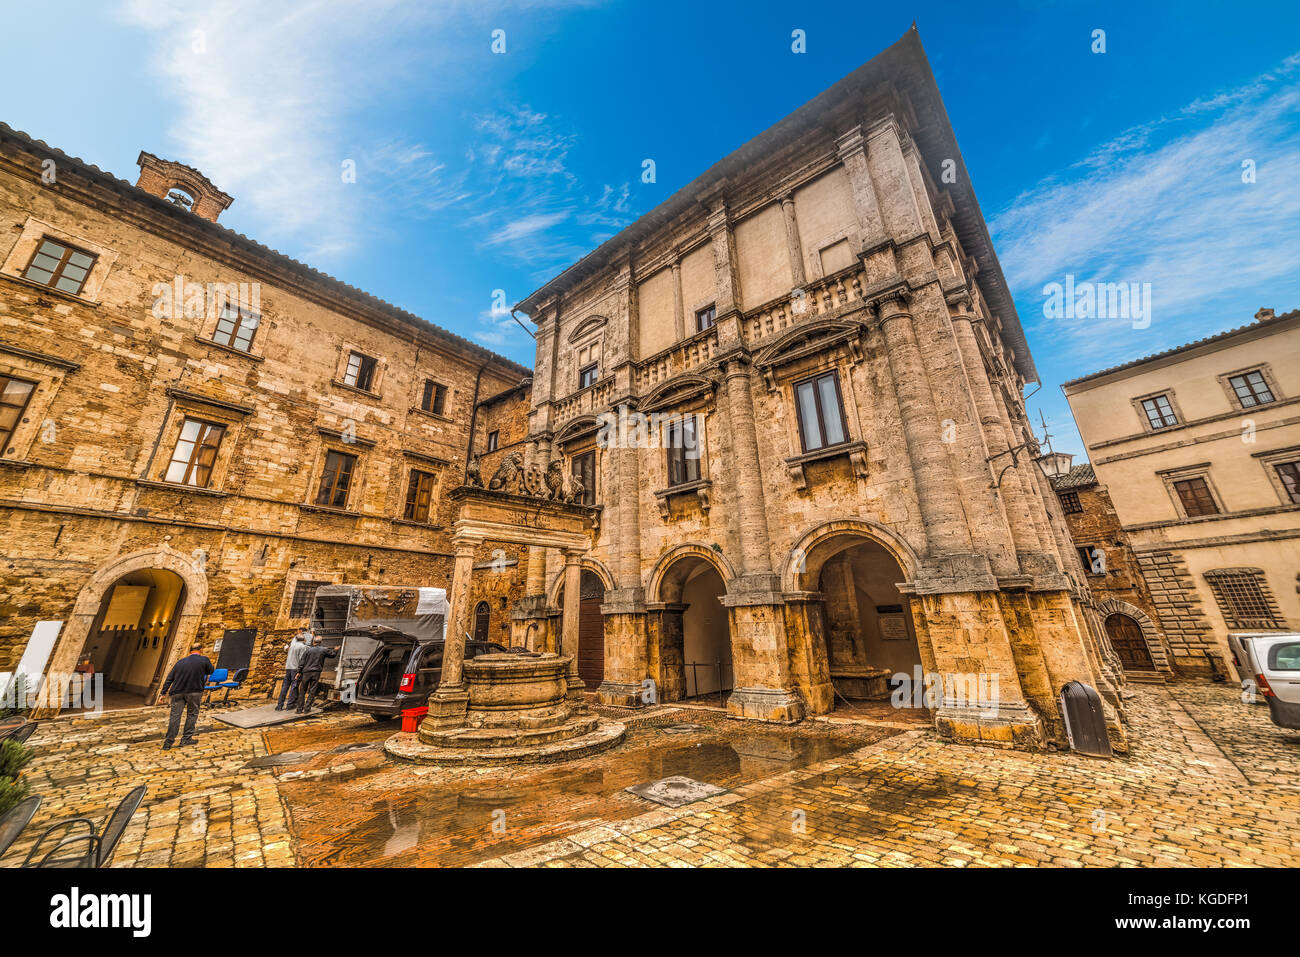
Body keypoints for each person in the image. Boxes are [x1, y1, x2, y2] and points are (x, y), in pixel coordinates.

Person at [160, 642, 214, 750]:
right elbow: (211, 671)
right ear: (201, 650)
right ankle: (186, 739)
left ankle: (168, 742)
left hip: (177, 692)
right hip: (194, 692)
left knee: (175, 716)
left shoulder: (180, 662)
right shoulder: (204, 660)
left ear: (190, 651)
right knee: (192, 714)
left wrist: (163, 693)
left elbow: (169, 678)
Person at [294, 636, 337, 714]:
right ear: (320, 642)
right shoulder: (323, 650)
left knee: (302, 691)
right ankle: (307, 709)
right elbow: (333, 654)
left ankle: (299, 709)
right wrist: (336, 650)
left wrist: (299, 672)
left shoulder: (308, 650)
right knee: (312, 691)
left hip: (306, 672)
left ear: (313, 642)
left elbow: (302, 662)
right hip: (316, 672)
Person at [275, 629, 312, 711]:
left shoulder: (291, 646)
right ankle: (290, 705)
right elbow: (301, 659)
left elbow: (286, 649)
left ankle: (279, 705)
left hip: (288, 668)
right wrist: (300, 671)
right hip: (295, 669)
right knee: (294, 686)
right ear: (304, 640)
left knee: (284, 686)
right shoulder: (302, 647)